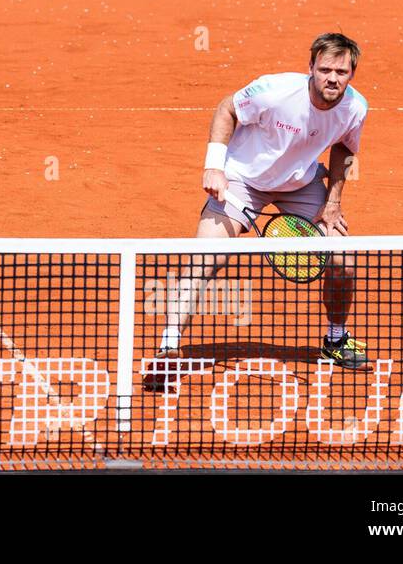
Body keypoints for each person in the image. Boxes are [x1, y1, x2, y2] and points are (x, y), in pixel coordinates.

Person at [144, 32, 367, 392]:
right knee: (204, 259)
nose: (332, 78)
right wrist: (214, 167)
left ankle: (336, 339)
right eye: (325, 69)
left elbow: (344, 146)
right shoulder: (273, 91)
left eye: (341, 71)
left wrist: (333, 202)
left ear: (352, 73)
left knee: (343, 261)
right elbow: (226, 108)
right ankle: (169, 348)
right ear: (310, 67)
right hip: (242, 182)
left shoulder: (355, 107)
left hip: (300, 185)